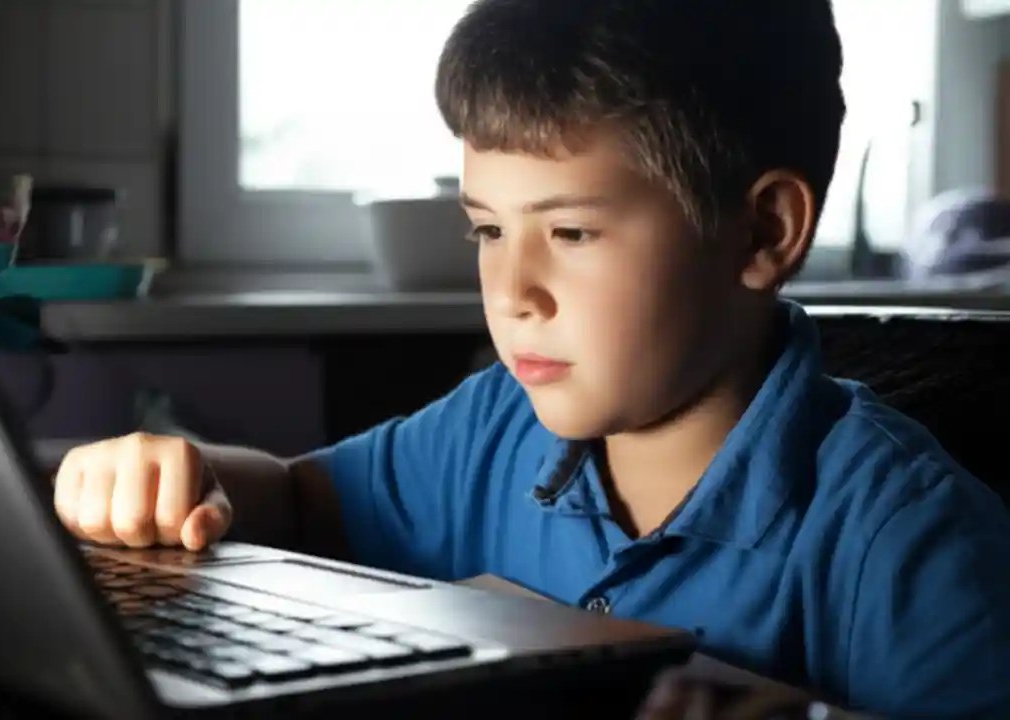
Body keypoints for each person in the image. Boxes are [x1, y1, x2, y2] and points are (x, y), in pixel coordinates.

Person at [51, 1, 1010, 717]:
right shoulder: (493, 428)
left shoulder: (906, 538)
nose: (513, 291)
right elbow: (301, 502)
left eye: (575, 233)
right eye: (487, 230)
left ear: (763, 230)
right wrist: (187, 477)